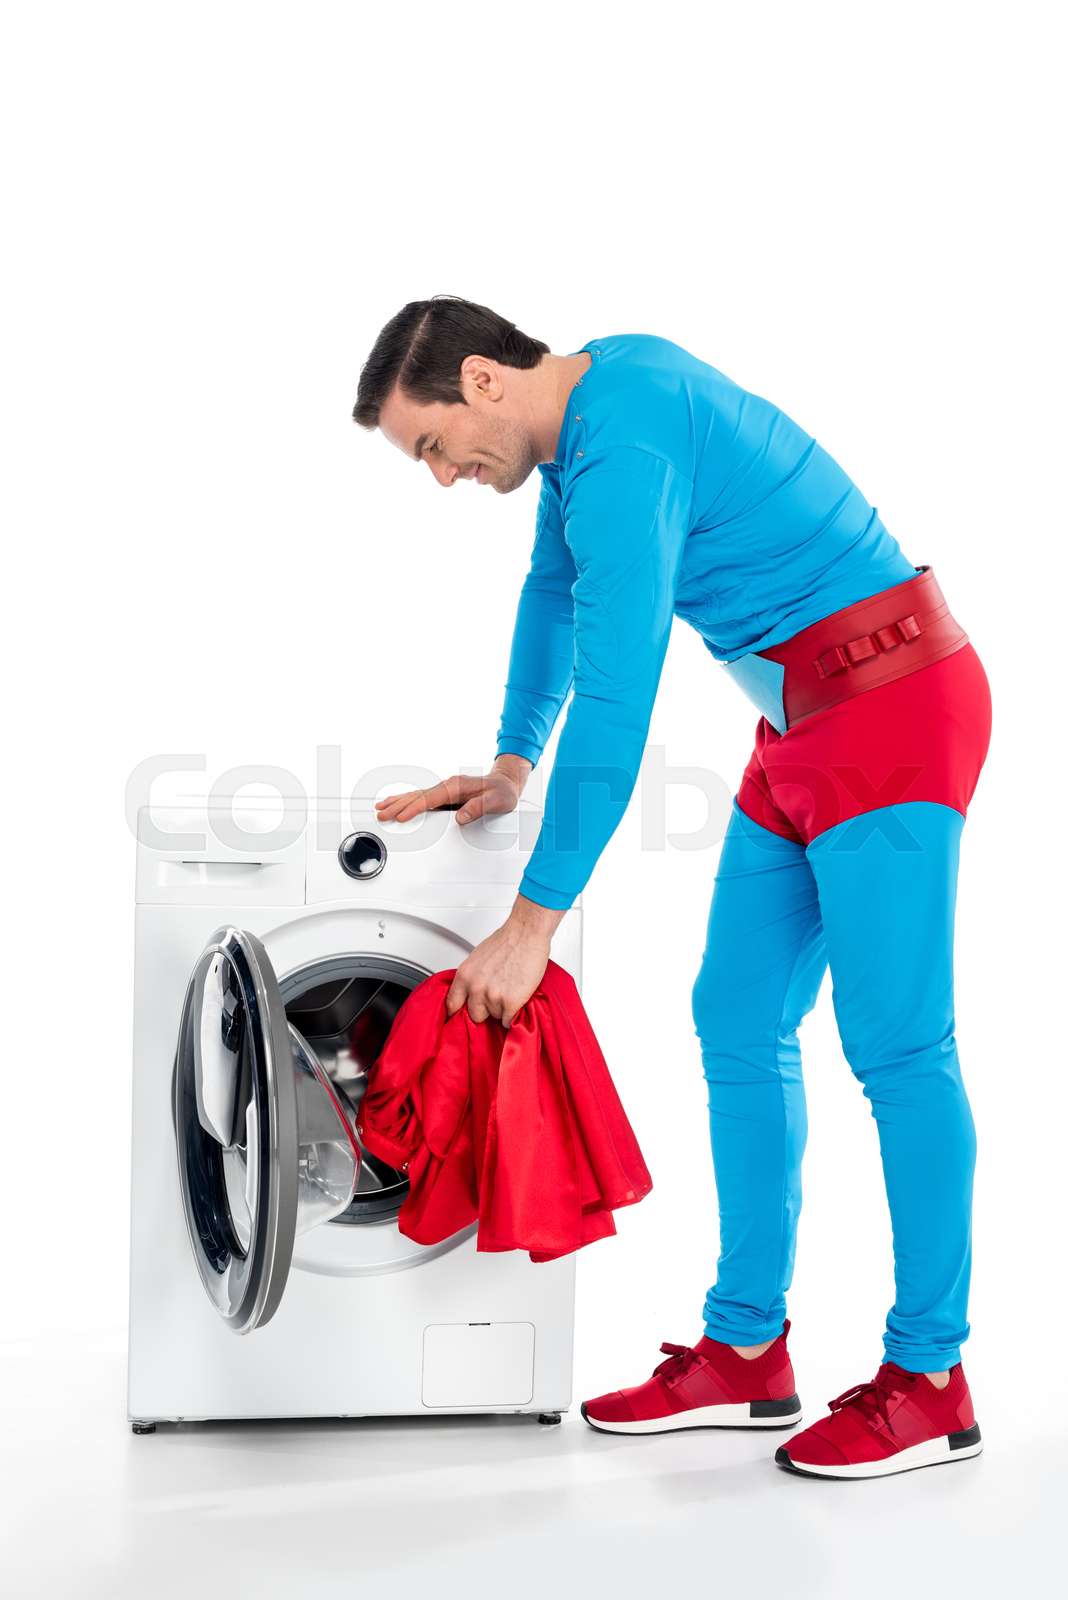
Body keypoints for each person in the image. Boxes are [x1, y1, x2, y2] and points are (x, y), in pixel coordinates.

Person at [353, 295, 991, 1480]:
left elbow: (618, 693)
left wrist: (531, 925)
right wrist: (510, 763)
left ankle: (931, 1378)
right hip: (802, 731)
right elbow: (555, 597)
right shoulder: (584, 430)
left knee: (899, 1046)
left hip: (894, 712)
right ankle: (747, 1349)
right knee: (736, 1017)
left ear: (483, 379)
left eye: (433, 445)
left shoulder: (627, 431)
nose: (441, 476)